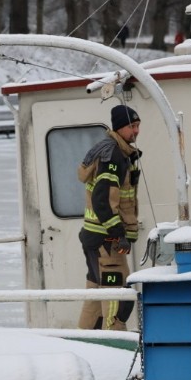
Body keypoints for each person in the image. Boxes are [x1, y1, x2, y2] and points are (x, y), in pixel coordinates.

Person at [77, 104, 142, 330]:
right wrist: (119, 234)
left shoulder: (111, 151)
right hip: (108, 241)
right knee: (117, 297)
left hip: (94, 237)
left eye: (138, 126)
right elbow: (102, 200)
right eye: (131, 126)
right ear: (119, 128)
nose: (136, 131)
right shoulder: (113, 156)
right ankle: (114, 345)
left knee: (96, 294)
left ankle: (85, 342)